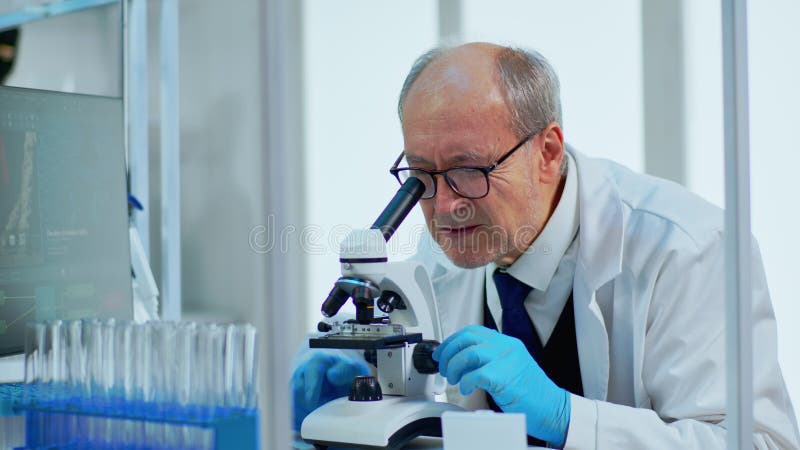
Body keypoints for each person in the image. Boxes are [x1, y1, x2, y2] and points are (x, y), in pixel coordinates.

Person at [292, 42, 800, 448]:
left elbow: (760, 443)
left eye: (470, 170)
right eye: (422, 176)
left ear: (548, 152)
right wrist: (364, 389)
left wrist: (567, 418)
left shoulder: (689, 250)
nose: (444, 207)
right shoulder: (445, 252)